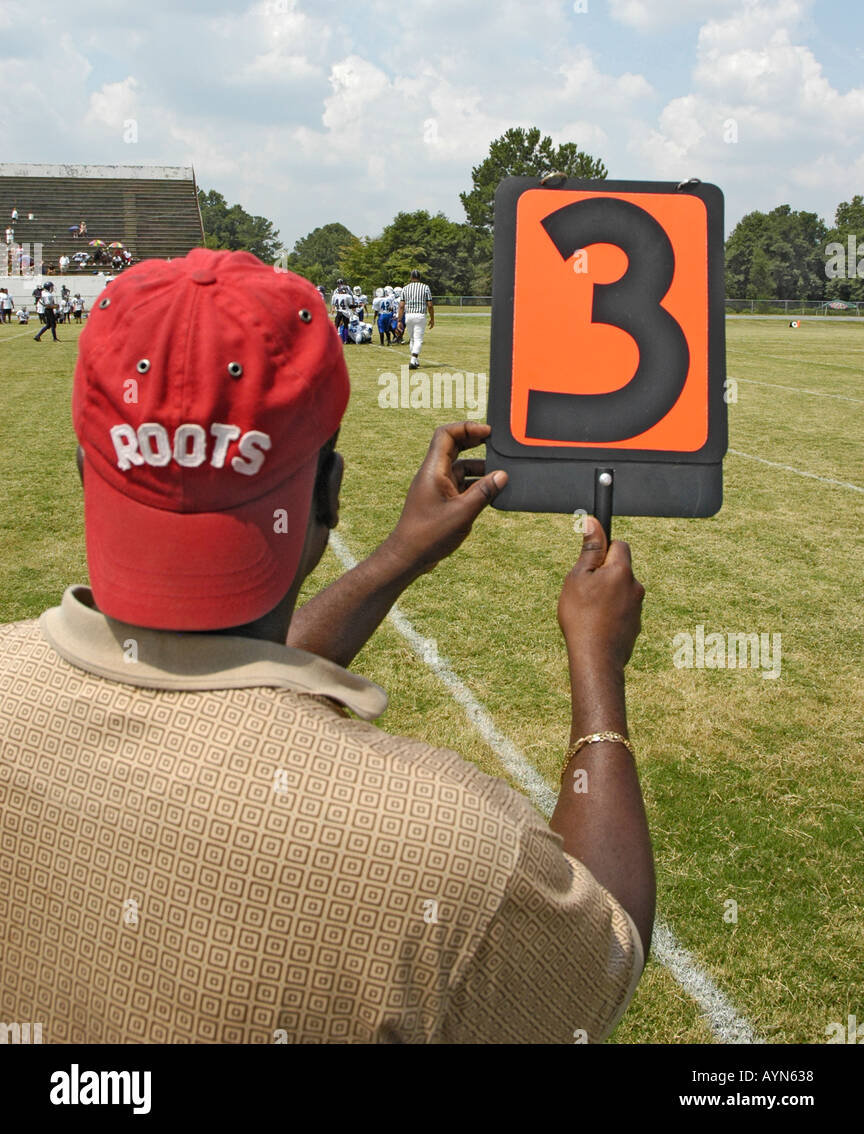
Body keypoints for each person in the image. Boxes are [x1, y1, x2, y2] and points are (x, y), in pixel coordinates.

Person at [0, 248, 652, 1044]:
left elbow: (222, 687)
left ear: (82, 469)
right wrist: (597, 663)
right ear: (330, 491)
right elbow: (601, 944)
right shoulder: (450, 850)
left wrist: (398, 557)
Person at [399, 270, 434, 370]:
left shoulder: (405, 288)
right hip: (420, 315)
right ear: (420, 277)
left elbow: (401, 306)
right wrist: (432, 318)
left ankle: (415, 361)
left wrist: (399, 320)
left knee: (412, 339)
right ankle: (413, 360)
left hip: (409, 315)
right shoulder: (425, 287)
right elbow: (430, 305)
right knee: (418, 339)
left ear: (411, 277)